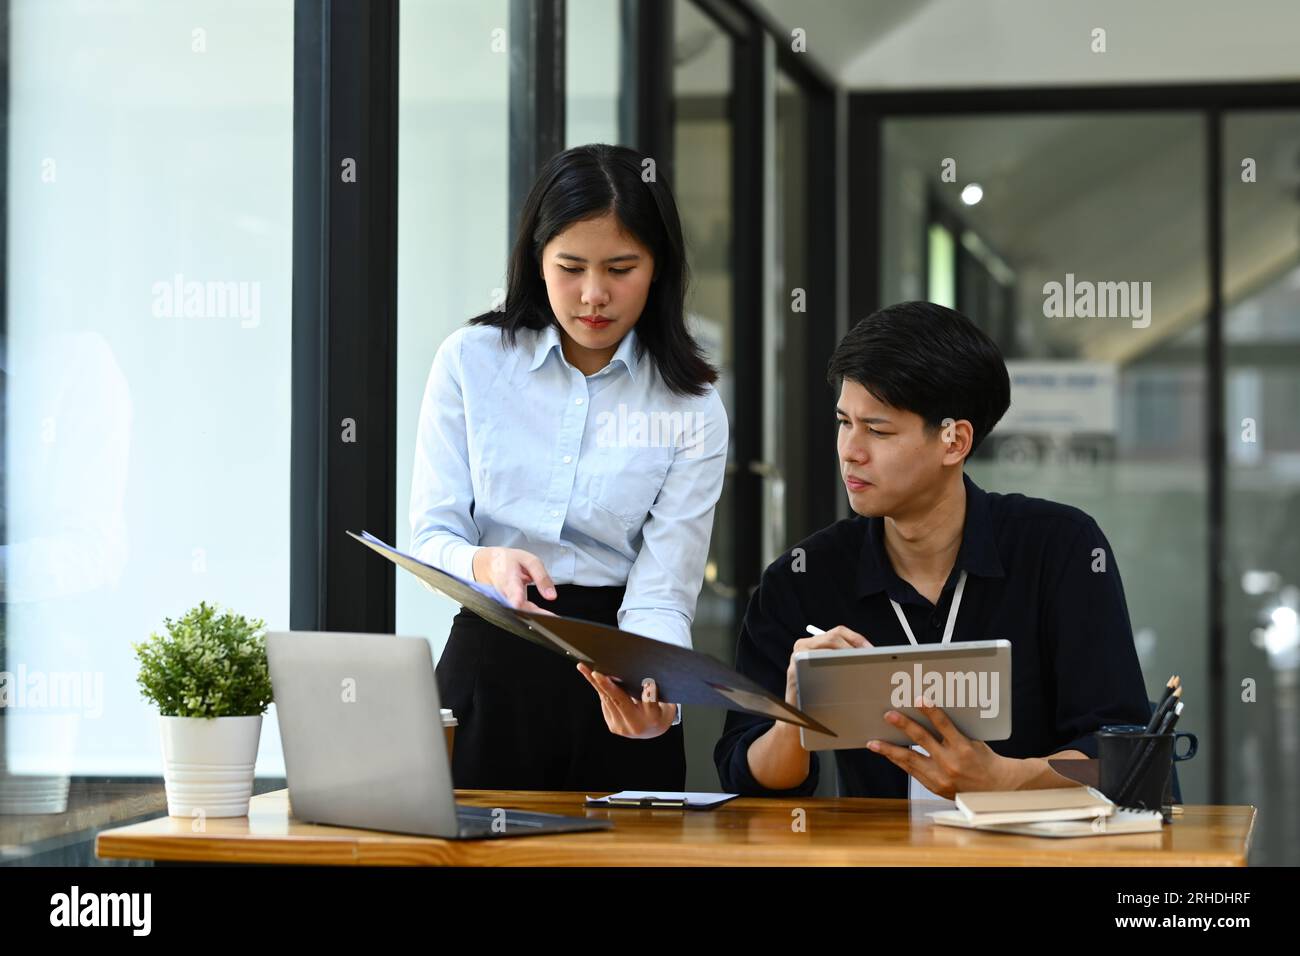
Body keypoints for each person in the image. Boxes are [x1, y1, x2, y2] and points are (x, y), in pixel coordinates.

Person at [714, 301, 1150, 799]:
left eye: (877, 430)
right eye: (843, 422)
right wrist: (794, 719)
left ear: (953, 441)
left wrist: (1005, 780)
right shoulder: (805, 576)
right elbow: (742, 775)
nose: (850, 449)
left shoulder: (1059, 548)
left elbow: (1124, 754)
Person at [410, 143, 728, 792]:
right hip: (490, 655)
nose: (593, 295)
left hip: (619, 667)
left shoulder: (691, 404)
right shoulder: (470, 361)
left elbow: (664, 590)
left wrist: (656, 692)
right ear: (536, 260)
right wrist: (486, 564)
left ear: (658, 268)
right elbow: (431, 537)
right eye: (570, 267)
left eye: (621, 268)